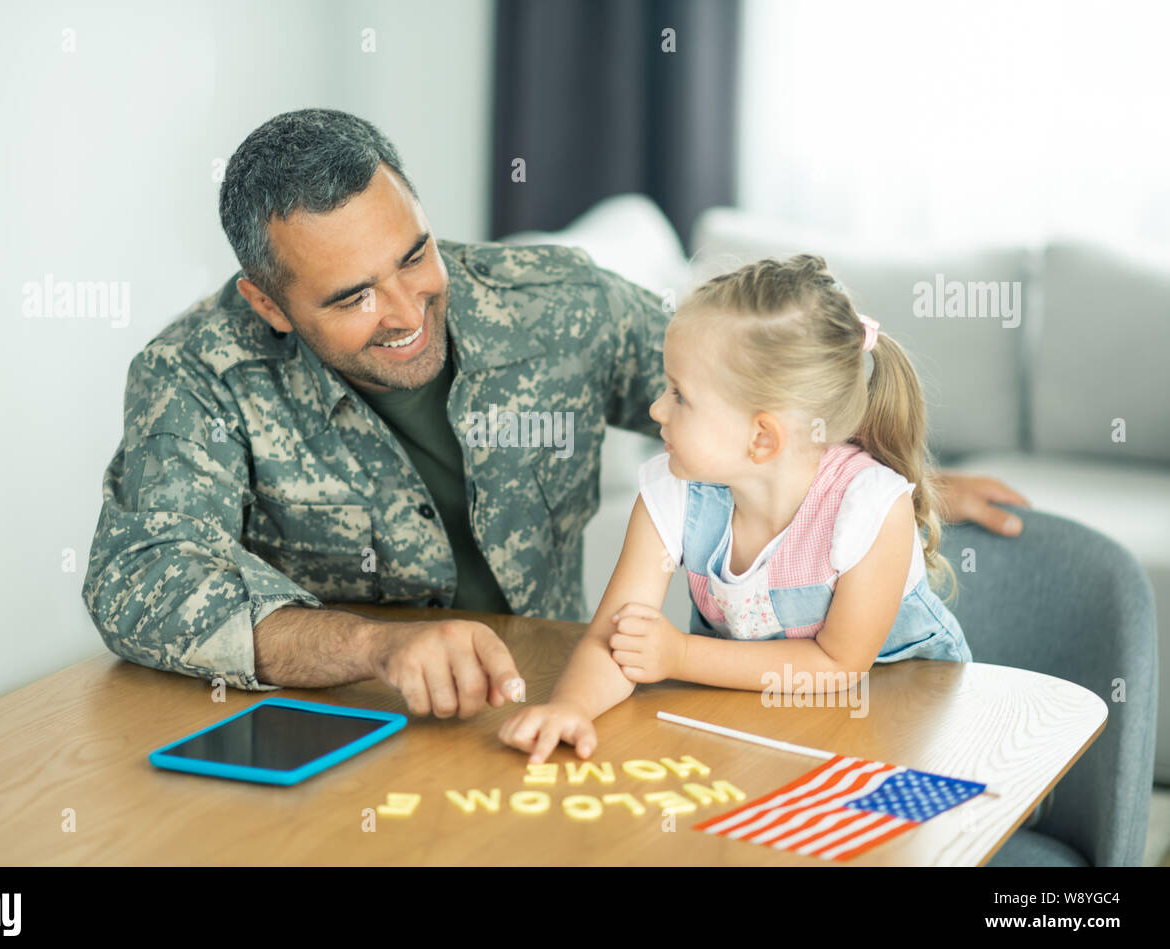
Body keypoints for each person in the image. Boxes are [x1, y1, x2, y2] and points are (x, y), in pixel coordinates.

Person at [81, 108, 1030, 721]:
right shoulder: (195, 375)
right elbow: (139, 581)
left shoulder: (554, 303)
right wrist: (372, 644)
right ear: (269, 304)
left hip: (549, 690)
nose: (408, 313)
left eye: (414, 255)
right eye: (352, 298)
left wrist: (877, 487)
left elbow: (749, 395)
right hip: (351, 714)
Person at [499, 254, 979, 764]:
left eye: (680, 395)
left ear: (762, 438)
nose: (656, 409)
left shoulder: (869, 509)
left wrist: (679, 654)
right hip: (768, 716)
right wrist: (571, 707)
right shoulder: (673, 490)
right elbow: (615, 640)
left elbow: (838, 666)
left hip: (902, 717)